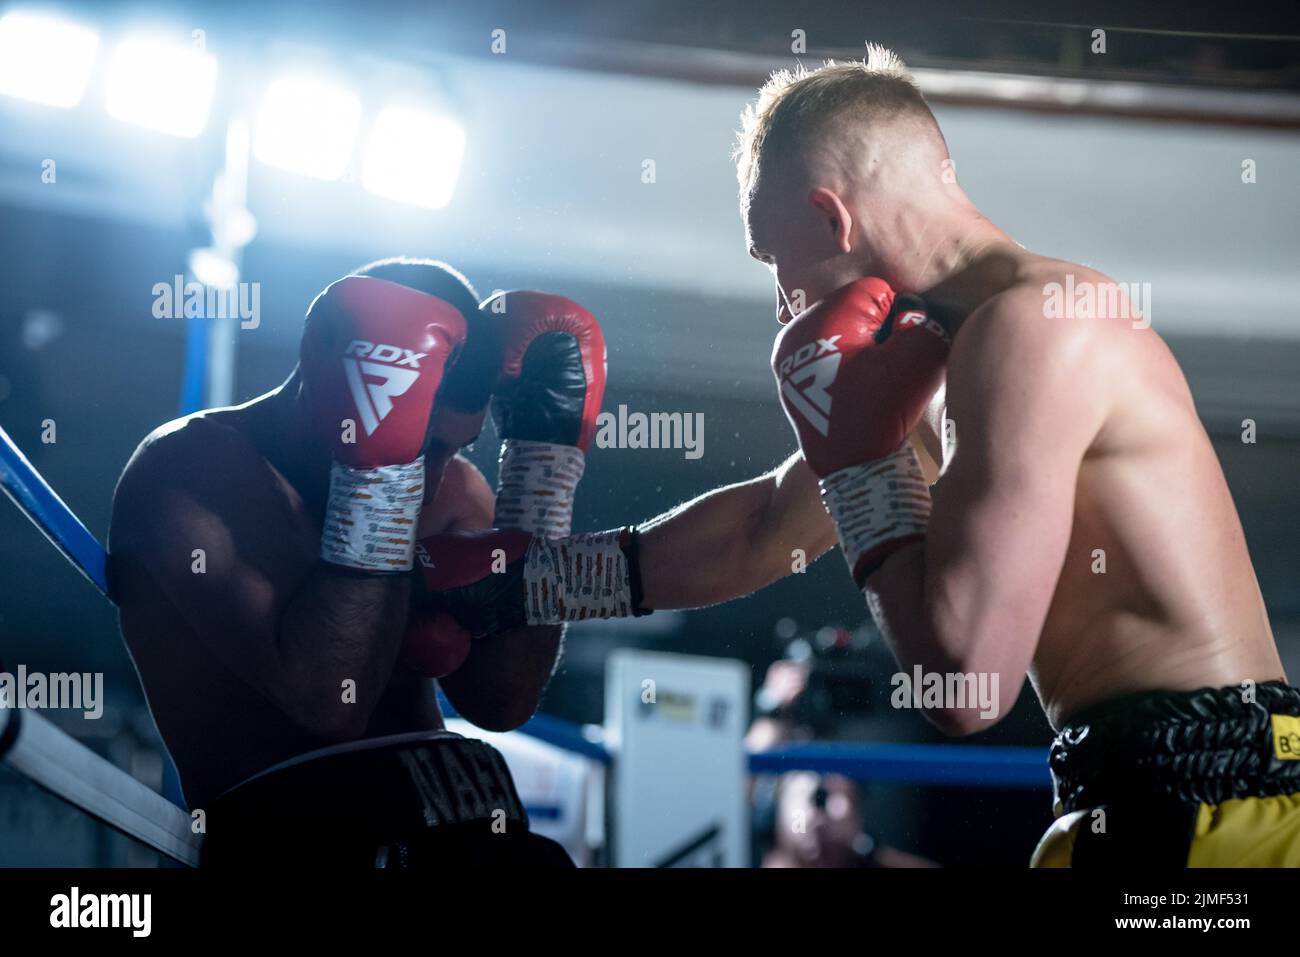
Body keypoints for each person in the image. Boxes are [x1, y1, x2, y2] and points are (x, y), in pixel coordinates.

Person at [417, 48, 1298, 867]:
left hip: (1220, 812)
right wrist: (528, 581)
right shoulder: (941, 365)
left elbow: (968, 683)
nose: (776, 303)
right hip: (1146, 803)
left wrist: (863, 469)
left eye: (771, 259)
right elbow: (763, 530)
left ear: (828, 216)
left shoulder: (1037, 328)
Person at [108, 257, 603, 867]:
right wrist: (379, 485)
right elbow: (327, 703)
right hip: (314, 850)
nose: (429, 480)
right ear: (327, 366)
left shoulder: (452, 487)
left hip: (483, 834)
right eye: (419, 444)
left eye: (452, 449)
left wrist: (542, 486)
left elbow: (503, 698)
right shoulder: (190, 471)